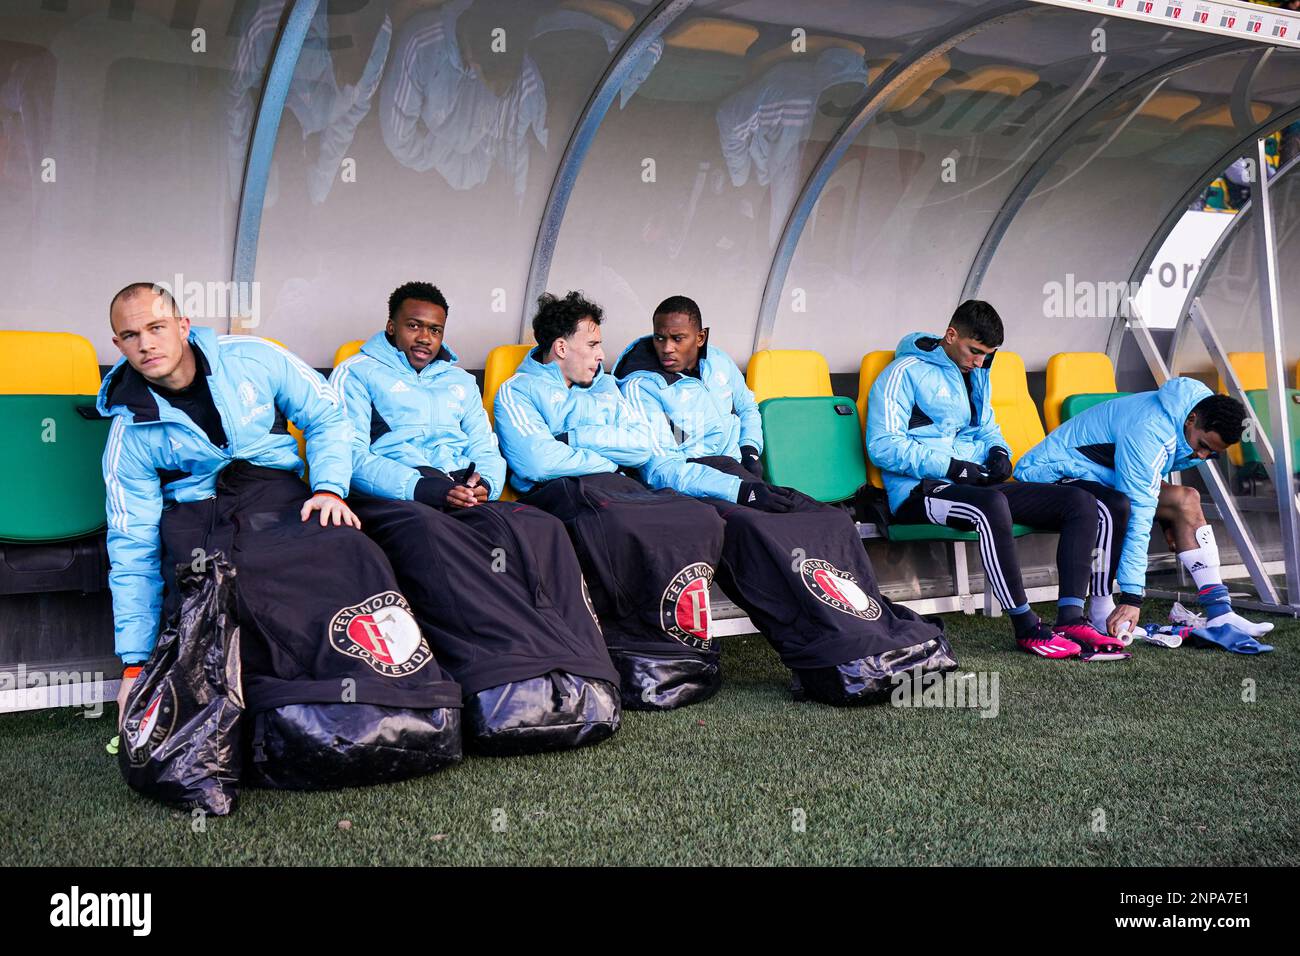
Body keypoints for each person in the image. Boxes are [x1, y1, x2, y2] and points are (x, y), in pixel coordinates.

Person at [100, 282, 461, 787]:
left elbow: (326, 416)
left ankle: (398, 701)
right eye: (130, 335)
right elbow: (132, 547)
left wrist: (332, 488)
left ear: (183, 326)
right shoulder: (128, 432)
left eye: (156, 328)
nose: (146, 344)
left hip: (276, 493)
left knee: (350, 548)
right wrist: (135, 664)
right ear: (118, 345)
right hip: (199, 515)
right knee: (235, 581)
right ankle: (296, 718)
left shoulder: (252, 357)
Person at [613, 296, 955, 704]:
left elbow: (748, 408)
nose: (667, 348)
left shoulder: (719, 364)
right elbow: (660, 468)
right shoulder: (639, 384)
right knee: (761, 531)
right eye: (660, 338)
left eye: (678, 338)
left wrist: (751, 453)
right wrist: (742, 490)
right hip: (688, 488)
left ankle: (879, 630)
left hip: (737, 472)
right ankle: (829, 651)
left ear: (701, 338)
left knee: (827, 520)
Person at [328, 282, 621, 754]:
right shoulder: (356, 373)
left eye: (435, 329)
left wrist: (481, 481)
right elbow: (350, 458)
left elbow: (485, 449)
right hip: (401, 495)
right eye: (414, 326)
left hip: (461, 491)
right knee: (435, 533)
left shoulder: (459, 381)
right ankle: (498, 675)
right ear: (391, 326)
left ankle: (581, 668)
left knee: (539, 527)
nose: (425, 337)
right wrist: (428, 489)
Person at [494, 291, 728, 710]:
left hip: (615, 485)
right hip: (562, 494)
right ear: (561, 348)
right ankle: (636, 648)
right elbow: (537, 461)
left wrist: (575, 440)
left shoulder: (606, 387)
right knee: (628, 527)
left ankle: (678, 642)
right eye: (594, 344)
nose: (603, 355)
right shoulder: (518, 391)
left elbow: (641, 446)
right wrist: (602, 454)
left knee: (696, 516)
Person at [867, 300, 1125, 659]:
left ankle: (1071, 617)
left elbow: (988, 428)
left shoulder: (977, 373)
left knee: (1080, 502)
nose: (979, 361)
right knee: (991, 505)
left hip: (976, 482)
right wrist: (952, 467)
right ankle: (1027, 627)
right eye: (975, 351)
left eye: (987, 355)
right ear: (951, 335)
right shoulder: (903, 372)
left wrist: (999, 452)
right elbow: (883, 446)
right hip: (919, 490)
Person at [1015, 378, 1273, 640]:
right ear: (1191, 419)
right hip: (1052, 470)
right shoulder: (1151, 430)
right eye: (1203, 446)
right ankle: (1102, 611)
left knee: (1186, 500)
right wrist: (1132, 597)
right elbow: (1138, 511)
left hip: (1101, 474)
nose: (1203, 456)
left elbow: (1149, 473)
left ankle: (1220, 611)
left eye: (1213, 453)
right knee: (1117, 508)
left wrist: (1168, 519)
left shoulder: (1201, 411)